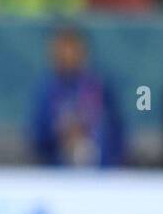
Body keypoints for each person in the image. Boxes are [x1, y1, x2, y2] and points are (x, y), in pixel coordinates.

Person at [30, 27, 123, 167]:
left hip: (102, 173)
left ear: (82, 53)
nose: (67, 56)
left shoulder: (99, 86)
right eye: (62, 51)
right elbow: (39, 135)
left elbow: (117, 130)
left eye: (72, 50)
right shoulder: (47, 91)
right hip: (58, 173)